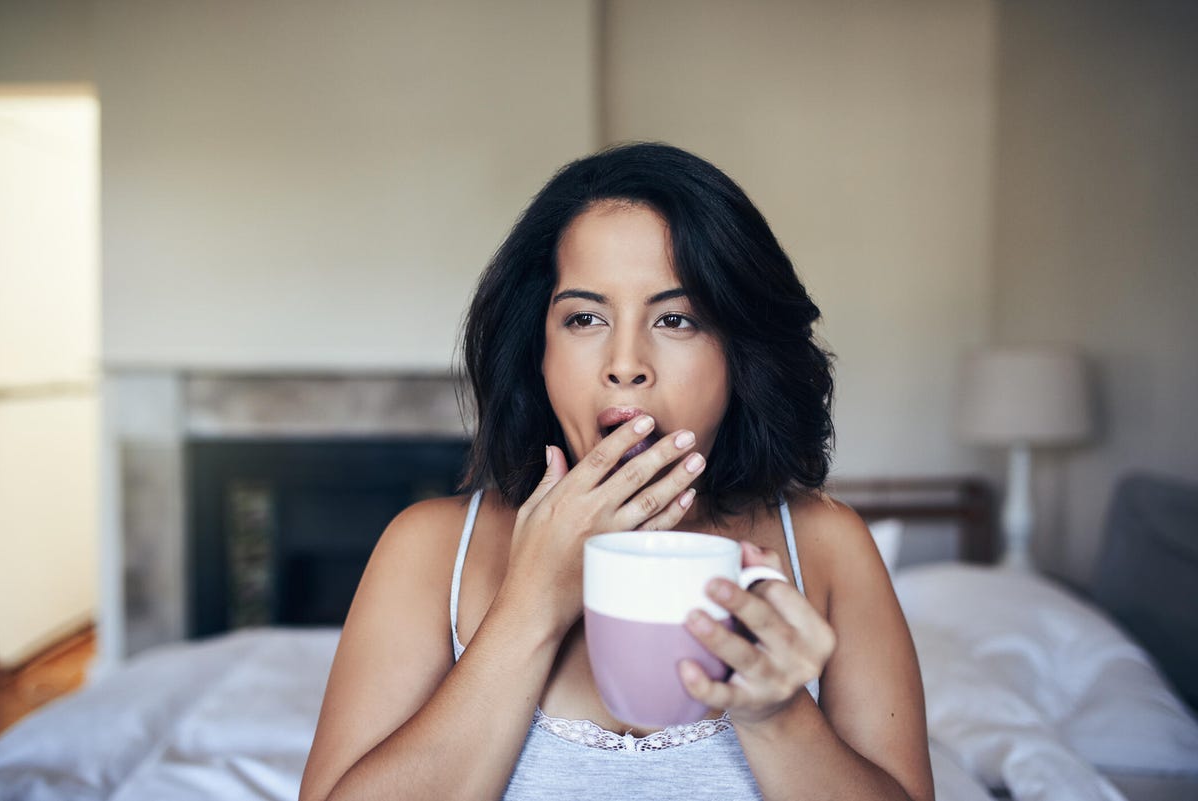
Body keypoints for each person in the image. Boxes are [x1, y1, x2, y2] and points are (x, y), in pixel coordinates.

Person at [299, 143, 934, 801]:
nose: (625, 363)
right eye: (585, 317)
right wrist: (532, 602)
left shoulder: (828, 545)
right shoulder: (428, 549)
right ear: (538, 352)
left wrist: (776, 715)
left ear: (740, 355)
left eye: (676, 318)